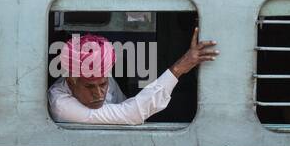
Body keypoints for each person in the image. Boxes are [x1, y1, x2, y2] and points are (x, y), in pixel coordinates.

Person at [48, 29, 217, 125]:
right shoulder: (61, 105)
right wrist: (180, 67)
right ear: (71, 81)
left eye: (103, 84)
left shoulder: (100, 76)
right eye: (90, 87)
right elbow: (130, 113)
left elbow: (123, 103)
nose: (99, 93)